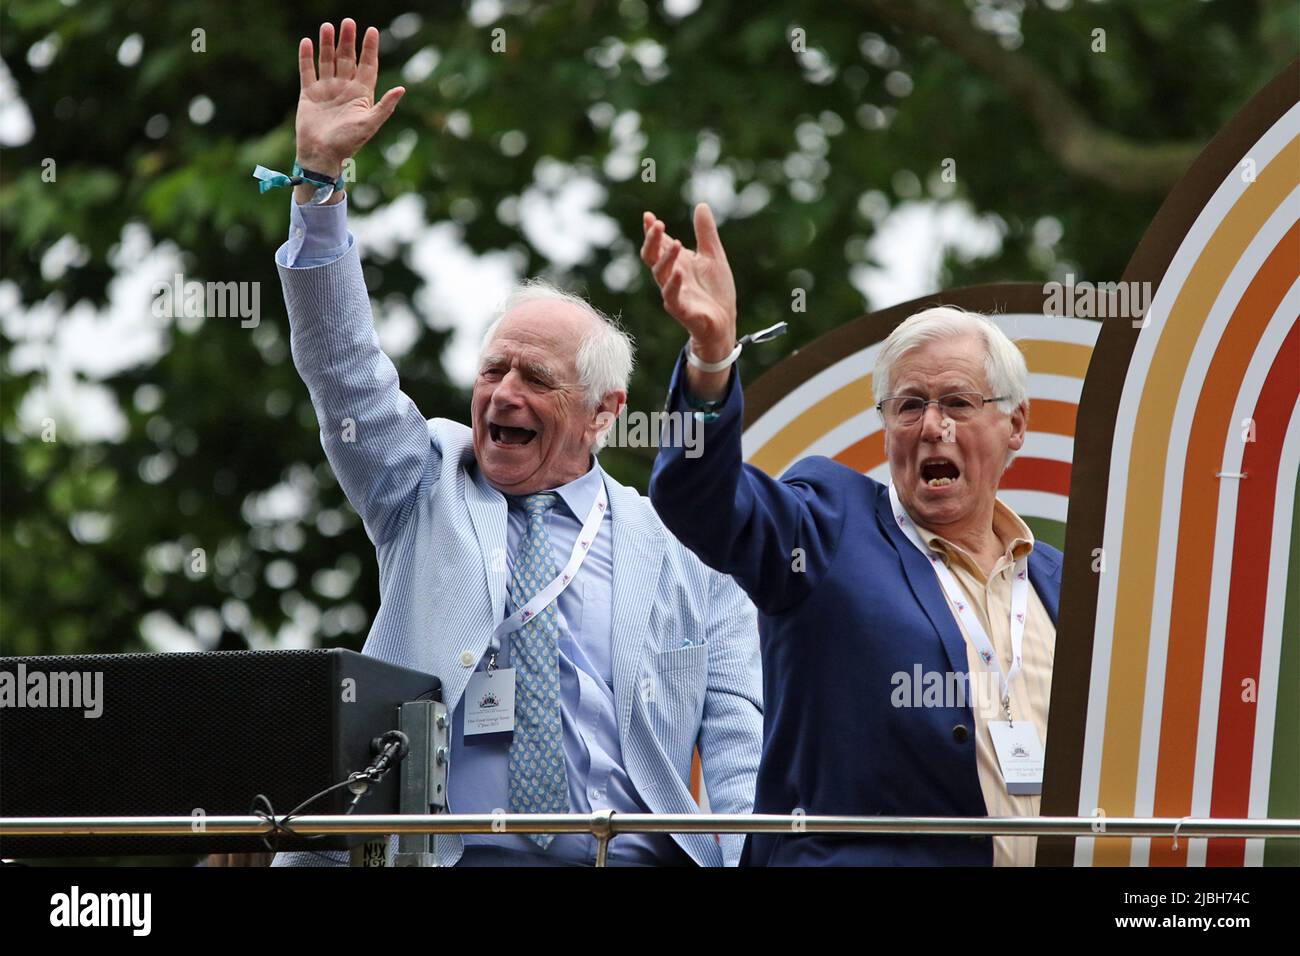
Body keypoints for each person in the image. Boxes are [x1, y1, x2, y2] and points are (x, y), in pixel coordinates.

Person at [270, 21, 762, 867]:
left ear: (603, 413)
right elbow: (340, 364)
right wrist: (319, 183)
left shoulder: (685, 545)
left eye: (535, 379)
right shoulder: (423, 483)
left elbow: (736, 733)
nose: (502, 395)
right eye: (493, 370)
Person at [640, 205, 1064, 866]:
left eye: (956, 402)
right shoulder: (828, 527)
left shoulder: (1064, 586)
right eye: (909, 405)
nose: (932, 427)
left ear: (1015, 425)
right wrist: (711, 362)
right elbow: (697, 498)